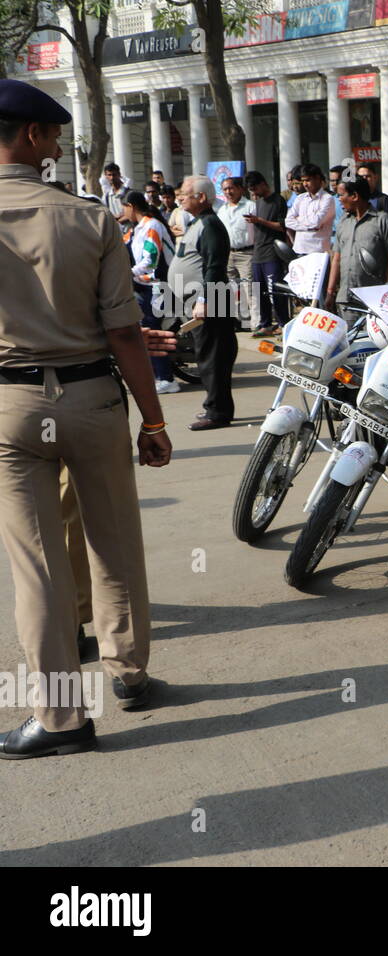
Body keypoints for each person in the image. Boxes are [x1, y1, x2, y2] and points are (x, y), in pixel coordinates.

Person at [0, 79, 170, 757]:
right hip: (93, 397)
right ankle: (127, 673)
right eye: (54, 134)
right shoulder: (90, 218)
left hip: (11, 407)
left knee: (36, 568)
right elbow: (126, 333)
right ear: (33, 135)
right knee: (114, 544)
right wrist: (153, 421)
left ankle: (62, 718)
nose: (60, 145)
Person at [166, 175, 234, 430]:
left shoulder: (211, 225)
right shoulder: (197, 223)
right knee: (208, 353)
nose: (180, 197)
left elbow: (214, 266)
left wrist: (205, 300)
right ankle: (215, 406)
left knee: (213, 356)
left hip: (210, 299)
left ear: (202, 197)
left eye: (186, 193)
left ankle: (217, 413)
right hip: (199, 298)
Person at [118, 190, 177, 392]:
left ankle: (167, 379)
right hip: (144, 285)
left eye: (123, 206)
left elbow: (150, 261)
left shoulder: (152, 226)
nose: (121, 211)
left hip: (159, 284)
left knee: (152, 330)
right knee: (144, 328)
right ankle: (157, 376)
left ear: (131, 207)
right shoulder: (135, 229)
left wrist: (127, 273)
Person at [326, 177, 388, 310]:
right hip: (346, 299)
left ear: (354, 196)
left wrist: (387, 292)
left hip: (374, 301)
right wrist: (330, 292)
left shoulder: (382, 220)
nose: (338, 199)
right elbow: (336, 259)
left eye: (341, 195)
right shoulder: (343, 222)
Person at [243, 170, 290, 337]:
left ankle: (284, 323)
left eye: (255, 189)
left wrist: (259, 221)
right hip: (258, 253)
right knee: (259, 290)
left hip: (272, 252)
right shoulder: (257, 203)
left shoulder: (278, 200)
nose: (254, 193)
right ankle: (266, 324)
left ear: (263, 184)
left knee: (275, 290)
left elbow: (281, 226)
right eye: (251, 190)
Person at [216, 176, 256, 330]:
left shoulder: (251, 207)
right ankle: (239, 321)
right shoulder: (222, 210)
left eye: (231, 188)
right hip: (228, 255)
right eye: (225, 189)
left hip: (246, 254)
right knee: (232, 290)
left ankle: (254, 324)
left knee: (250, 289)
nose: (228, 192)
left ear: (240, 188)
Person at [283, 163, 334, 254]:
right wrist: (309, 227)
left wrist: (299, 220)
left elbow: (316, 223)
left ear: (318, 178)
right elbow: (288, 221)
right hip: (299, 250)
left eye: (308, 180)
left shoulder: (327, 199)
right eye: (303, 181)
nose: (305, 184)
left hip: (318, 251)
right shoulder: (300, 198)